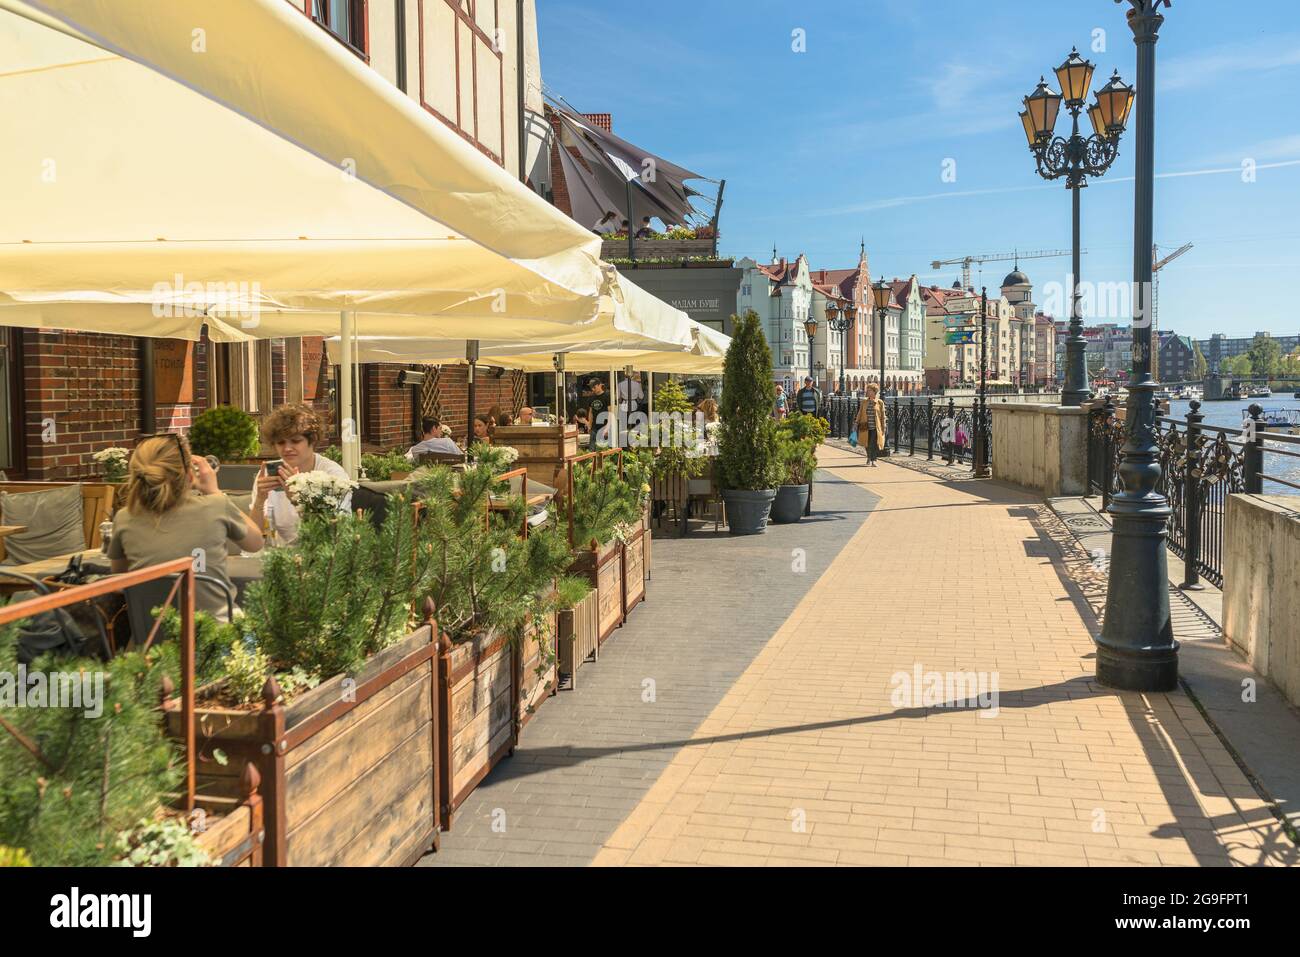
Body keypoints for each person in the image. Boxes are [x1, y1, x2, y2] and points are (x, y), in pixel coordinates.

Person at [110, 433, 263, 619]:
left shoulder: (124, 518)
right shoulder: (216, 505)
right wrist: (214, 492)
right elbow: (256, 543)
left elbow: (119, 576)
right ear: (190, 474)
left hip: (153, 639)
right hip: (220, 637)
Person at [251, 404, 351, 546]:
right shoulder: (269, 474)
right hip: (282, 558)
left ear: (313, 440)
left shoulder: (332, 475)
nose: (287, 448)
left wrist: (297, 499)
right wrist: (260, 501)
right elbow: (252, 540)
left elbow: (333, 535)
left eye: (296, 441)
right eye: (280, 442)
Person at [855, 383, 887, 467]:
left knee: (874, 443)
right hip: (865, 425)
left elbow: (883, 417)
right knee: (866, 443)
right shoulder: (864, 402)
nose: (867, 392)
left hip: (875, 427)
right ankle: (869, 457)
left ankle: (873, 460)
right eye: (867, 390)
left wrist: (884, 427)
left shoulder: (880, 403)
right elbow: (860, 413)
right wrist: (856, 423)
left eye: (869, 391)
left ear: (874, 392)